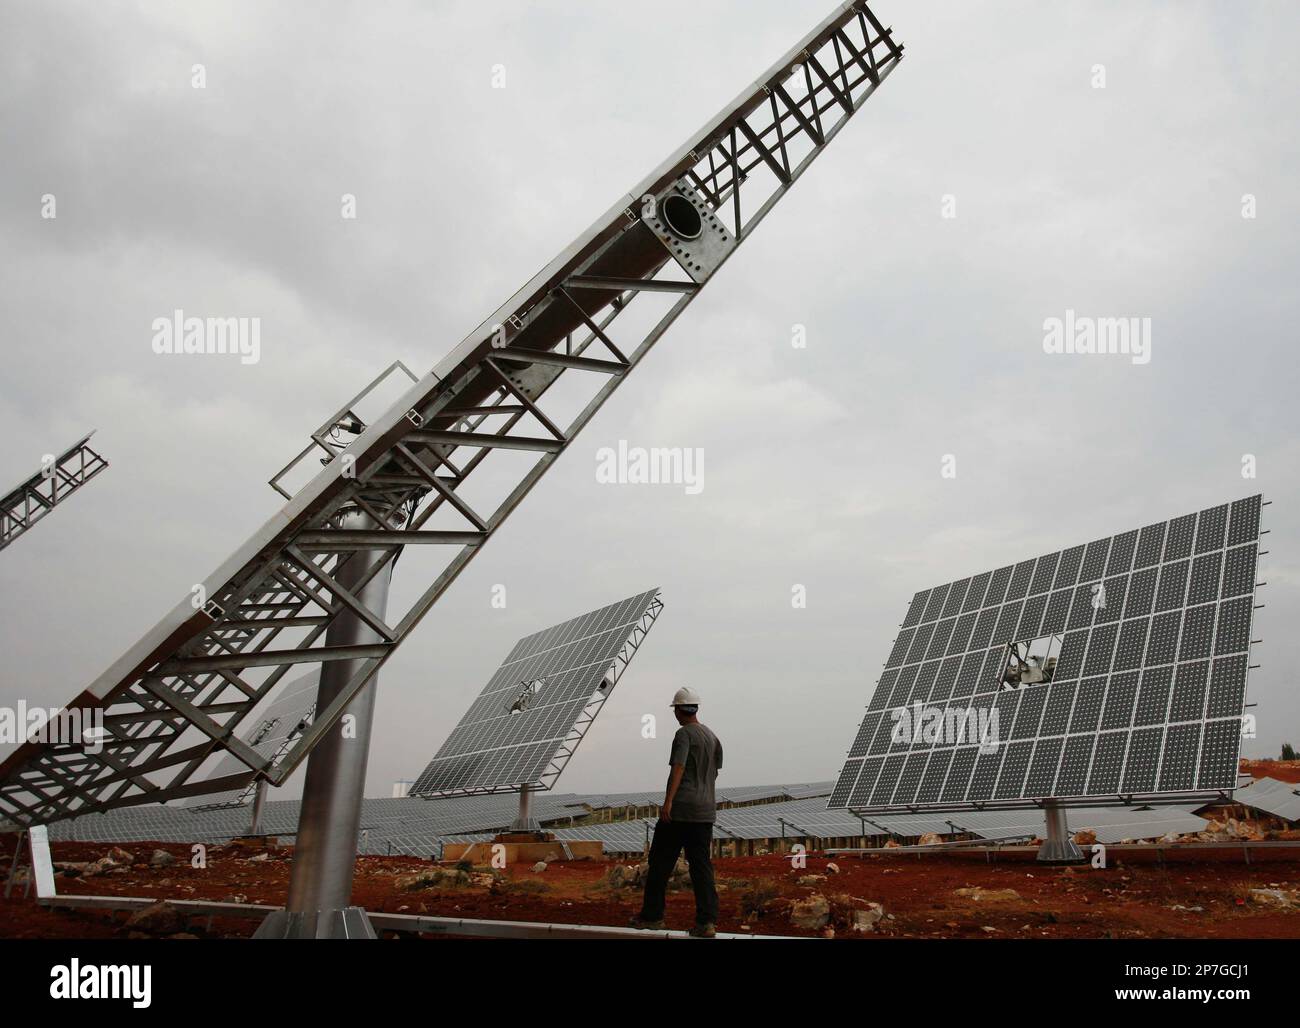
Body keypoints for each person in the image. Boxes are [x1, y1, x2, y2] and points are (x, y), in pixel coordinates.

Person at [629, 687, 723, 938]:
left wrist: (668, 802)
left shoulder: (683, 735)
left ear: (679, 710)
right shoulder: (712, 737)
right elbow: (714, 772)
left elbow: (678, 767)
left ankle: (652, 916)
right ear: (697, 708)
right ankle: (707, 922)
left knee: (660, 863)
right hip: (705, 812)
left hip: (681, 809)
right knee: (702, 866)